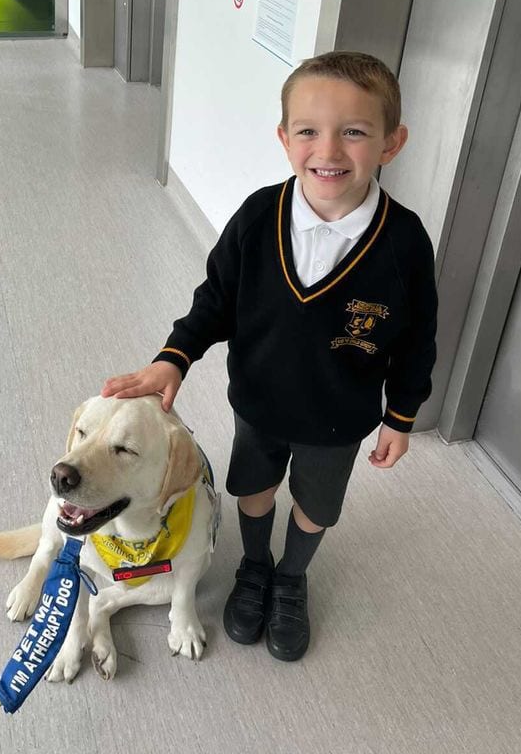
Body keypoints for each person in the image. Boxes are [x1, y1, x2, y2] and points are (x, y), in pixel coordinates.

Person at [102, 51, 438, 662]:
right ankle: (254, 566)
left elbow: (418, 340)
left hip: (339, 422)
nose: (329, 150)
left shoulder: (406, 243)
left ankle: (291, 577)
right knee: (254, 490)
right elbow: (215, 302)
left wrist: (402, 415)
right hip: (257, 404)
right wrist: (174, 357)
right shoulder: (259, 217)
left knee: (314, 506)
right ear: (285, 139)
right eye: (308, 130)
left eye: (354, 131)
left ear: (392, 143)